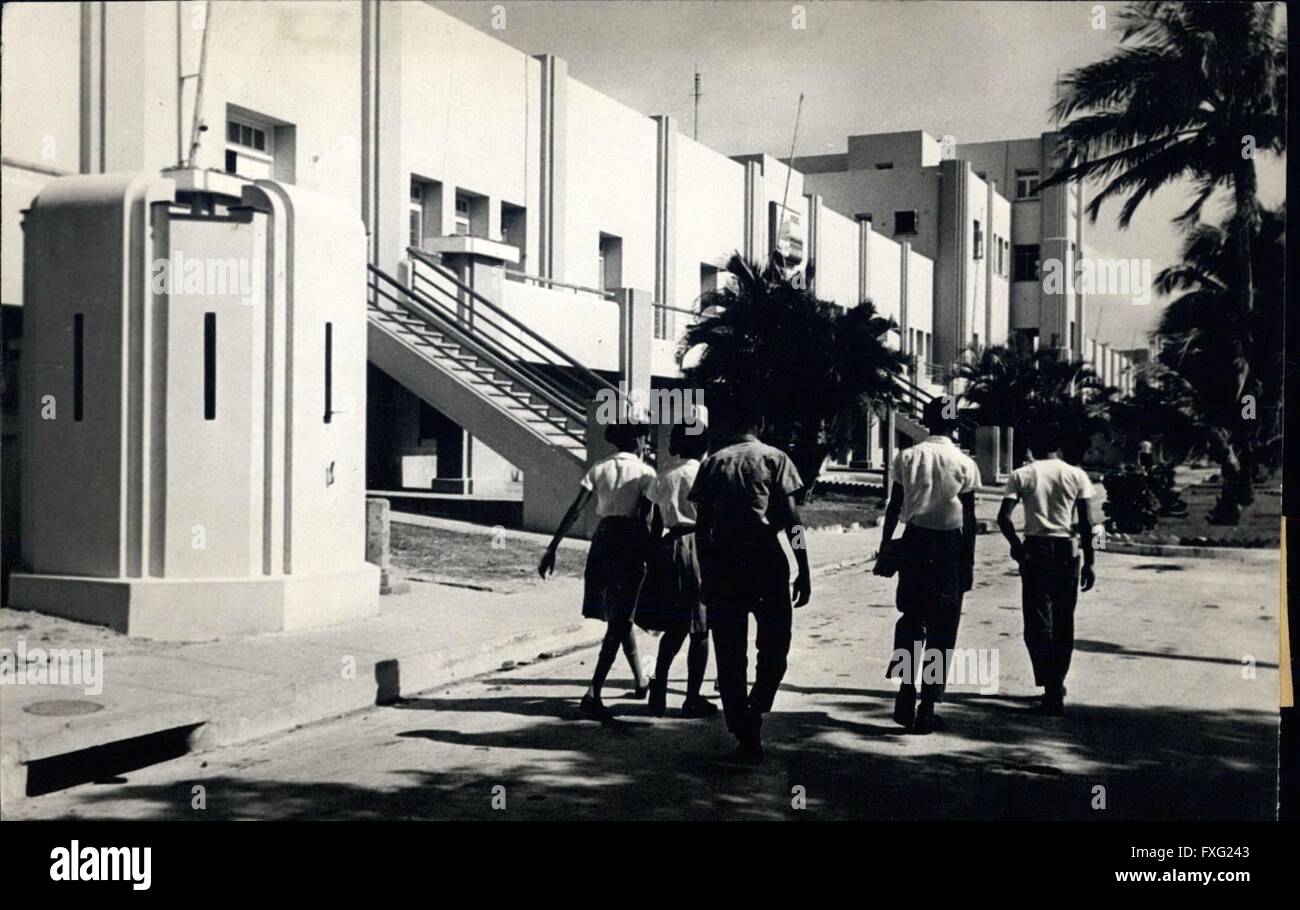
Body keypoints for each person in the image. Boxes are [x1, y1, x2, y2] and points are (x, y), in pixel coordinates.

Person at [689, 397, 811, 764]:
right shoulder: (775, 459)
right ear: (759, 421)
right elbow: (793, 521)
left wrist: (705, 571)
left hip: (723, 561)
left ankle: (742, 724)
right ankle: (754, 711)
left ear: (728, 426)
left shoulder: (713, 463)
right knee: (775, 646)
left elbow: (701, 527)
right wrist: (803, 566)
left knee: (729, 654)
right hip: (764, 559)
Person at [874, 395, 980, 734]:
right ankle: (928, 706)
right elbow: (971, 519)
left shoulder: (907, 456)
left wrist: (885, 547)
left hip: (915, 541)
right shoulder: (964, 462)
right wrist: (968, 564)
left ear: (927, 419)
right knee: (942, 627)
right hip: (950, 547)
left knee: (910, 619)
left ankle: (906, 691)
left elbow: (894, 506)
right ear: (954, 424)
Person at [538, 422, 655, 720]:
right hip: (631, 540)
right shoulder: (645, 473)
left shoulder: (599, 468)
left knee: (620, 615)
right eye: (644, 436)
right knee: (621, 616)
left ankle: (641, 680)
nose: (647, 440)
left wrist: (553, 547)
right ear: (637, 440)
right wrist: (652, 554)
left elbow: (576, 509)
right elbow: (648, 517)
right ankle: (593, 690)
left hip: (604, 541)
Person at [996, 422, 1097, 715]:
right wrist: (1091, 561)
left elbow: (1003, 517)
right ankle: (1056, 685)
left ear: (1033, 448)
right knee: (1064, 621)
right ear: (1060, 448)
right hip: (1067, 549)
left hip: (1035, 548)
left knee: (1038, 622)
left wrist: (1016, 547)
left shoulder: (1023, 474)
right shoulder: (1076, 475)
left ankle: (1049, 683)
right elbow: (1088, 524)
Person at [636, 415, 717, 719]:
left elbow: (655, 522)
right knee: (700, 627)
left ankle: (659, 687)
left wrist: (654, 556)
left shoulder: (665, 476)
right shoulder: (708, 474)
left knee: (675, 625)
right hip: (701, 546)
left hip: (669, 546)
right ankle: (692, 697)